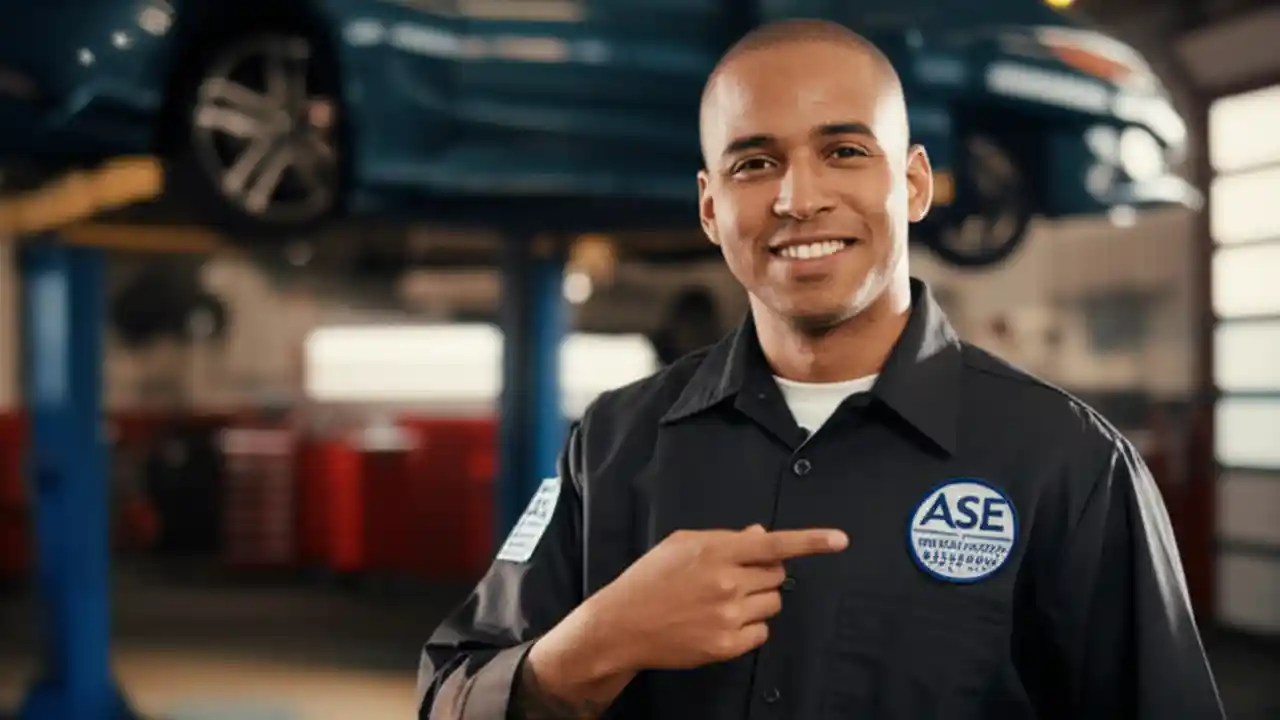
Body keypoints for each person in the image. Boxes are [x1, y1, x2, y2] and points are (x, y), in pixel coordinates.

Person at [417, 18, 1225, 720]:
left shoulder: (1067, 464)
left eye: (842, 150)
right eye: (754, 164)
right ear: (710, 208)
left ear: (910, 183)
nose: (797, 198)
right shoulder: (612, 444)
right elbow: (448, 691)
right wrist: (596, 644)